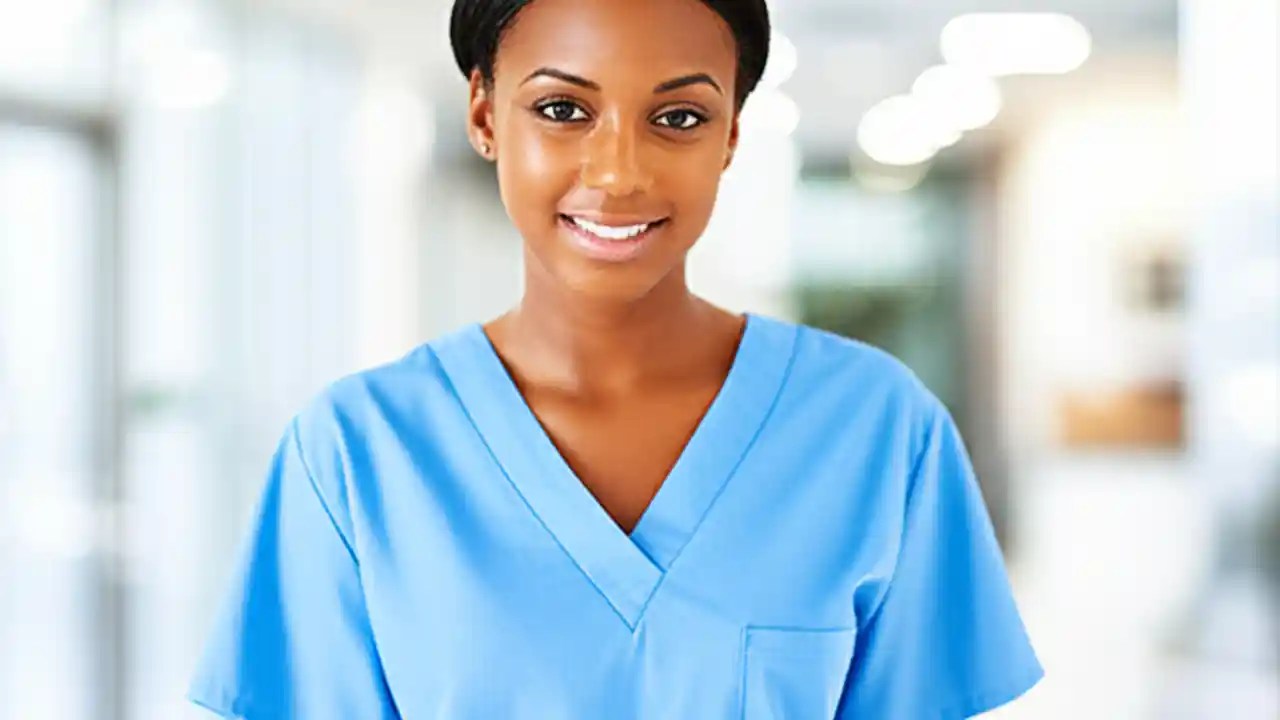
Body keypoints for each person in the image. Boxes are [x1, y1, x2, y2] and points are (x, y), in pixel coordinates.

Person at [186, 0, 1044, 717]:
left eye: (678, 118)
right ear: (485, 114)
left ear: (732, 136)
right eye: (562, 110)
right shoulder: (354, 453)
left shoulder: (875, 429)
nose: (619, 171)